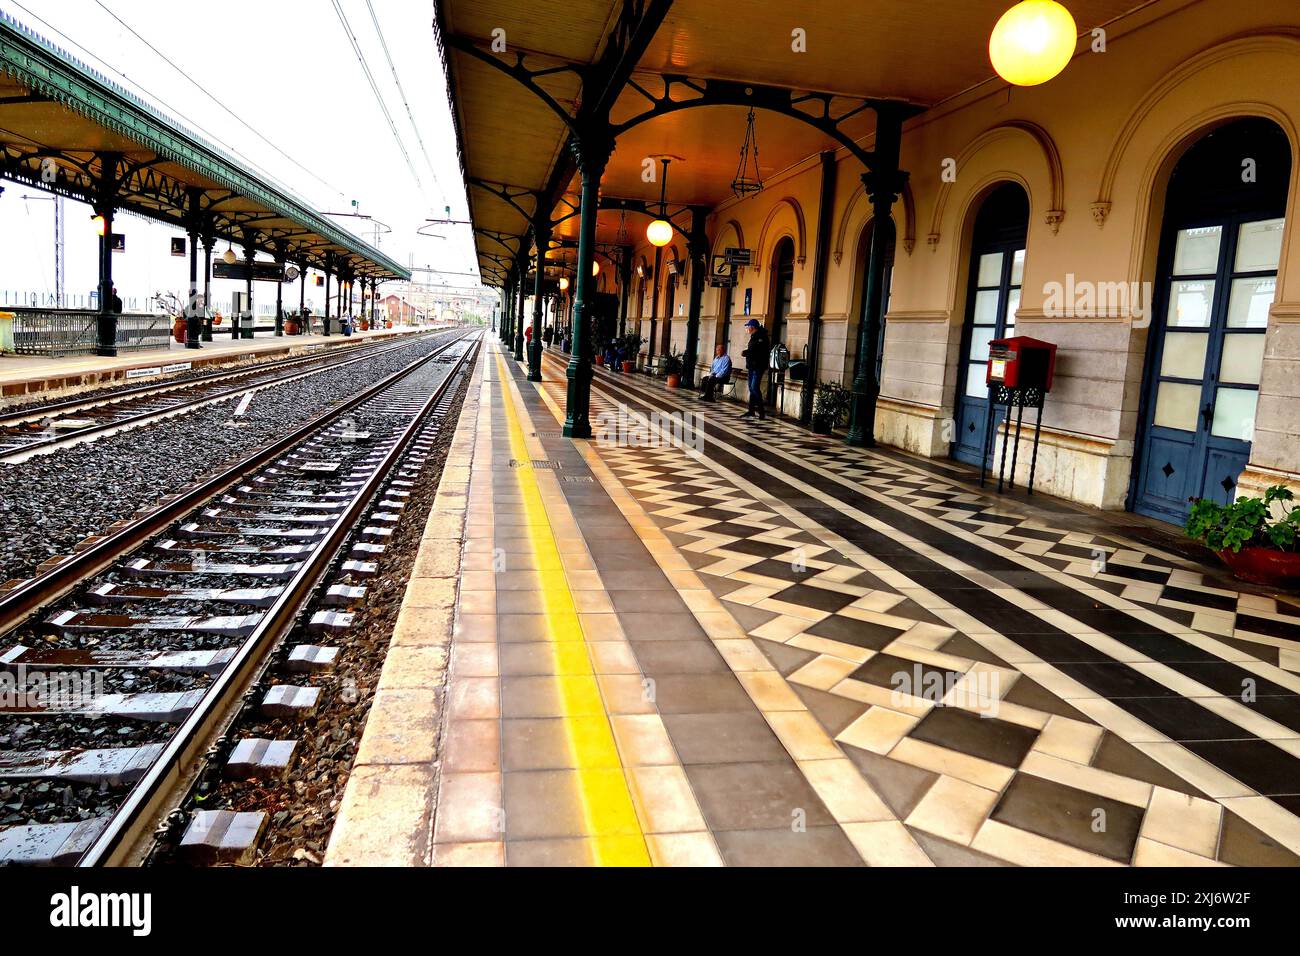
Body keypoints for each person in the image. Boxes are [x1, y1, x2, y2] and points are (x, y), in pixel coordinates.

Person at [740, 318, 770, 419]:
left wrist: (746, 353)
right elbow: (752, 350)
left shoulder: (761, 337)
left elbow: (758, 352)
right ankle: (751, 411)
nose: (747, 328)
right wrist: (747, 352)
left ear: (752, 327)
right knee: (751, 388)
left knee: (754, 388)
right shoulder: (754, 336)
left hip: (758, 366)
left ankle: (761, 412)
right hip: (752, 366)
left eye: (748, 326)